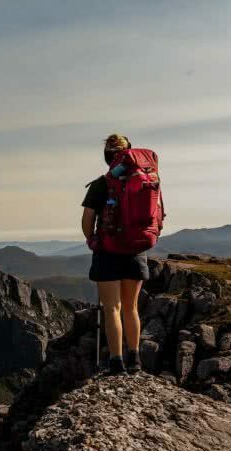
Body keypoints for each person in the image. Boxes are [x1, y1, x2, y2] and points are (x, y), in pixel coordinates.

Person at [81, 133, 149, 375]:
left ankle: (116, 362)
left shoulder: (102, 184)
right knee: (131, 307)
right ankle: (135, 359)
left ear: (107, 157)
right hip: (136, 251)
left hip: (107, 251)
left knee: (112, 308)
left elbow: (87, 220)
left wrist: (92, 239)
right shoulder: (144, 181)